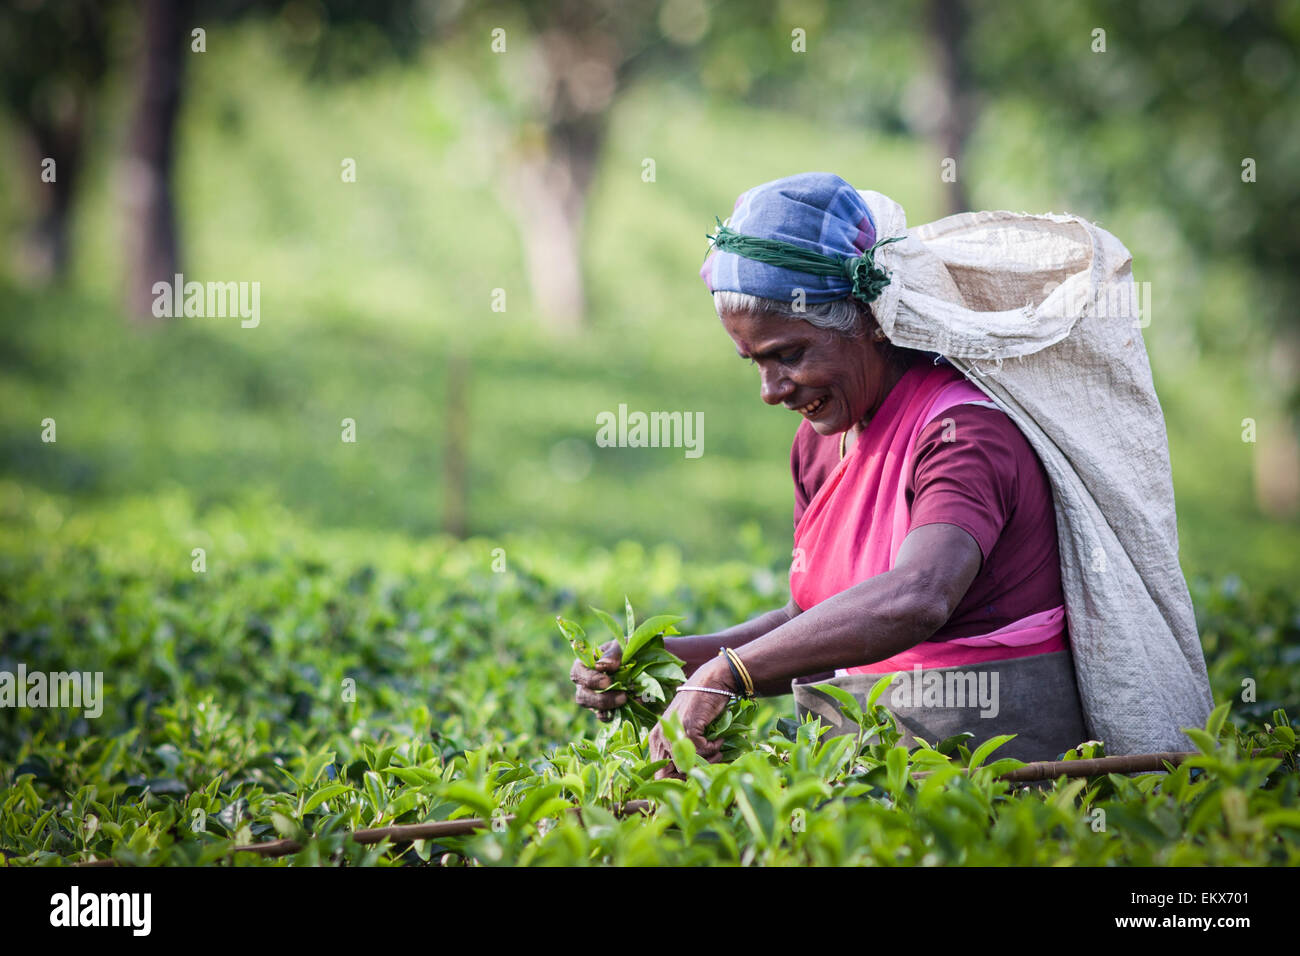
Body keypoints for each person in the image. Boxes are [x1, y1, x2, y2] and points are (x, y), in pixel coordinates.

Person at [572, 172, 1090, 775]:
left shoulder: (964, 435)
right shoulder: (822, 443)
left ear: (869, 320)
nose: (770, 392)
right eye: (754, 363)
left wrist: (729, 673)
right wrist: (661, 666)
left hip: (993, 768)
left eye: (788, 355)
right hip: (868, 759)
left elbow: (920, 596)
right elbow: (814, 623)